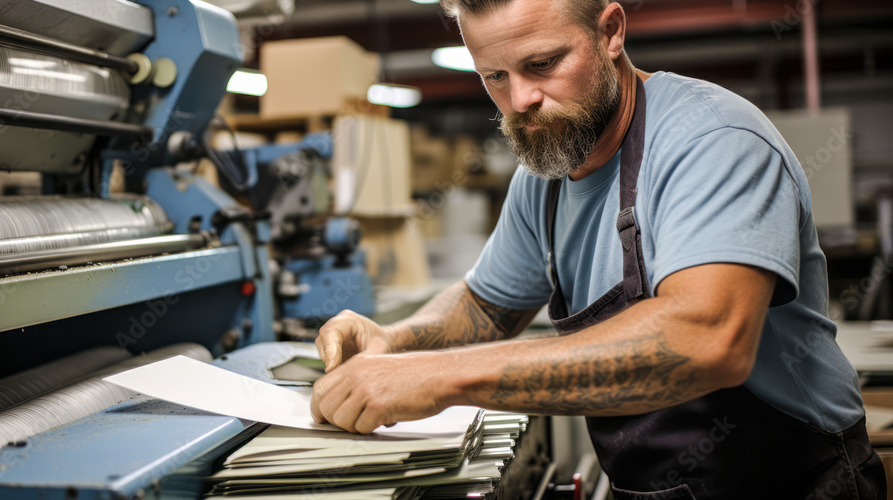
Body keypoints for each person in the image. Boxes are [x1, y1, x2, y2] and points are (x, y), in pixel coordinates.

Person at [309, 0, 888, 497]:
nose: (521, 100)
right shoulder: (544, 180)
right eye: (494, 76)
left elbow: (706, 340)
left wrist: (438, 377)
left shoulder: (712, 141)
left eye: (542, 64)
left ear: (611, 31)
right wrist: (395, 343)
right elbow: (486, 306)